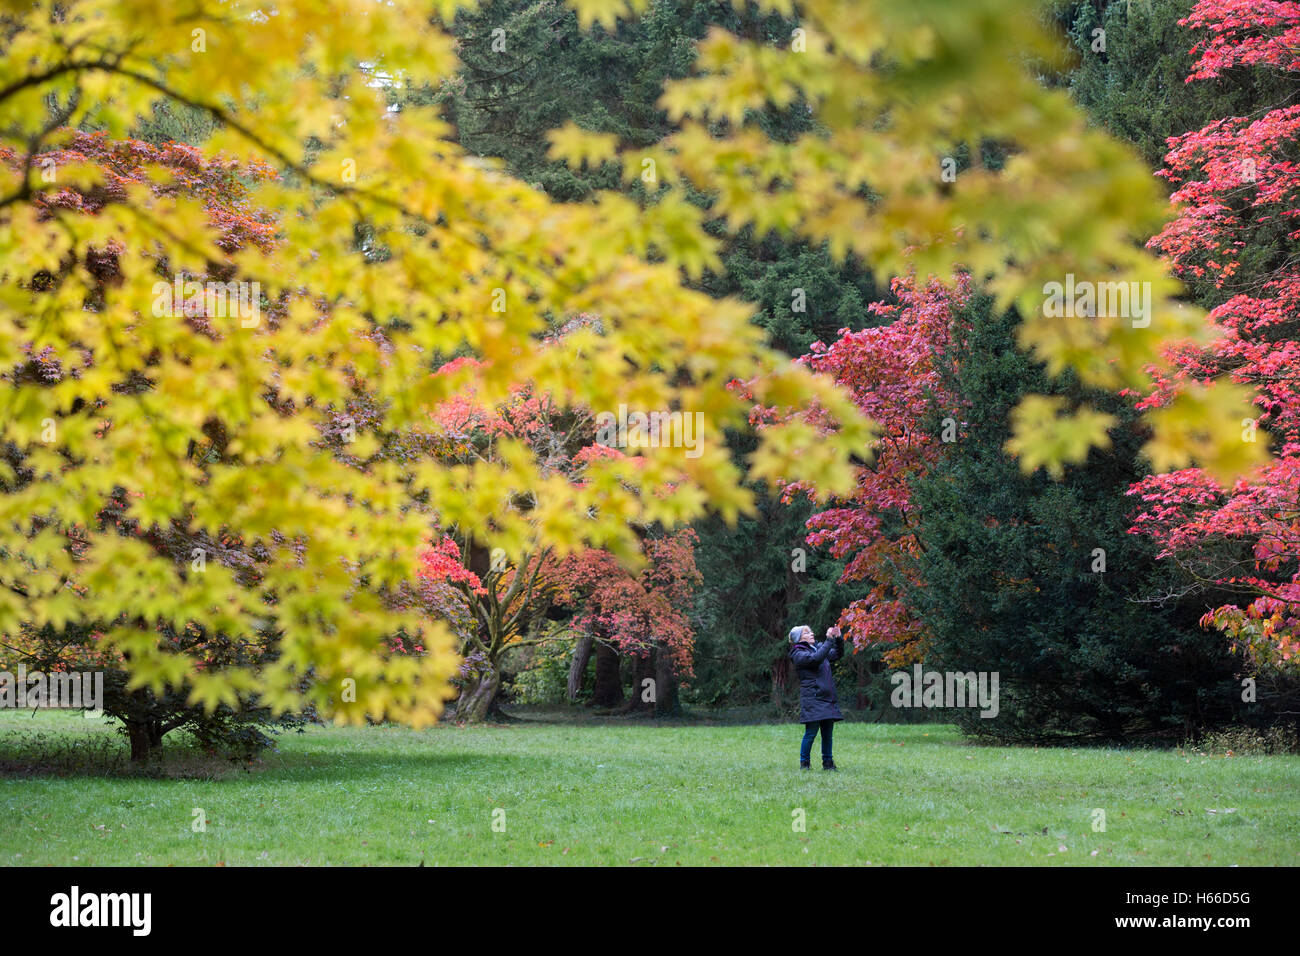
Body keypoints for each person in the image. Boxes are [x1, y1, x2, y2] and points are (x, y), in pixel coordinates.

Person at [788, 624, 845, 770]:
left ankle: (828, 764)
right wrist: (828, 640)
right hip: (813, 698)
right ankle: (804, 764)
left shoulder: (819, 648)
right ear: (799, 639)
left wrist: (838, 638)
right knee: (811, 733)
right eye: (807, 632)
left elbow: (837, 654)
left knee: (827, 734)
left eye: (811, 631)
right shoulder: (798, 653)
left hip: (826, 697)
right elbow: (815, 659)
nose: (812, 633)